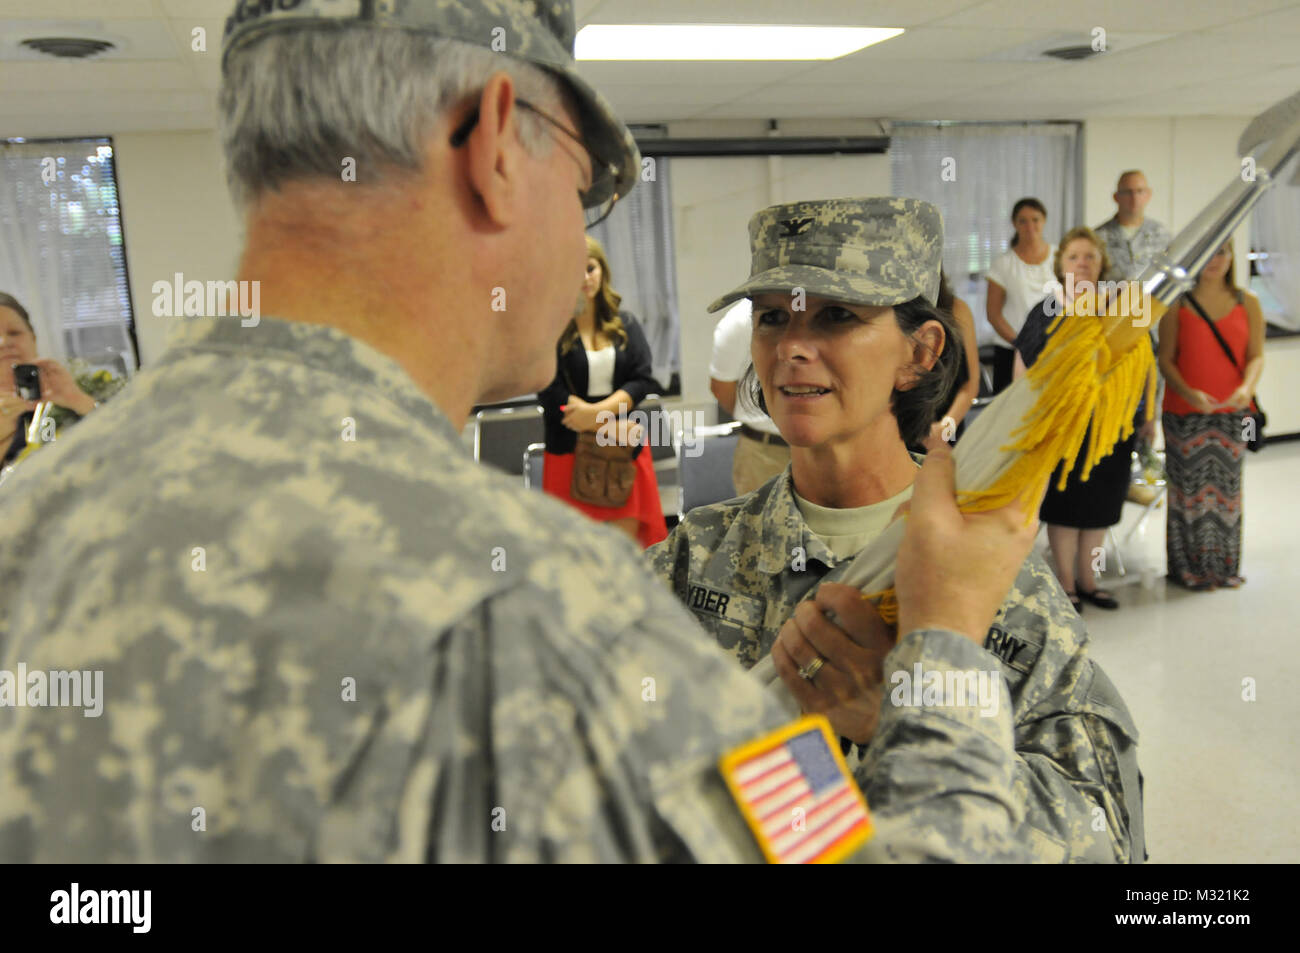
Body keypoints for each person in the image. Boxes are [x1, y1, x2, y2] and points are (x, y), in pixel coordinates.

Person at [0, 0, 1050, 864]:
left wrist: (767, 712)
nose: (577, 240)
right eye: (586, 189)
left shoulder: (32, 516)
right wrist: (945, 650)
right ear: (495, 143)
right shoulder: (531, 602)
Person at [648, 197, 1145, 864]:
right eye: (772, 317)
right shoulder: (694, 559)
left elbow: (1107, 841)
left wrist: (909, 716)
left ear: (920, 351)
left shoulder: (991, 572)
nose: (793, 345)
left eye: (836, 316)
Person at [1013, 227, 1152, 614]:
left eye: (1090, 256)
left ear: (1101, 263)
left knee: (1099, 510)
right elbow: (1023, 368)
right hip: (1061, 429)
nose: (1083, 263)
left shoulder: (1119, 308)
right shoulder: (1046, 311)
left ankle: (1090, 582)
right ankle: (1067, 584)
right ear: (1061, 265)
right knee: (1065, 510)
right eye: (1074, 256)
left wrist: (1146, 416)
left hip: (1111, 428)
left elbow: (1142, 362)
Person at [538, 235, 667, 547]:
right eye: (575, 270)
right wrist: (601, 423)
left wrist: (596, 417)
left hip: (623, 449)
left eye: (591, 268)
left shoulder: (626, 322)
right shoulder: (551, 326)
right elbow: (546, 388)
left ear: (603, 271)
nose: (584, 278)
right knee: (577, 555)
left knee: (629, 554)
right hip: (569, 445)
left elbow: (642, 380)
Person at [1158, 241, 1266, 590]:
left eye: (1222, 252)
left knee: (1226, 495)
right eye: (1208, 252)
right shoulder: (1178, 303)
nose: (1214, 260)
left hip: (1234, 414)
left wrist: (1246, 388)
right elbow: (1165, 360)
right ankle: (1188, 570)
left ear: (1232, 258)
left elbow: (1256, 356)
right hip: (1185, 414)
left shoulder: (1247, 302)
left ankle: (1224, 568)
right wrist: (1190, 393)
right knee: (1188, 495)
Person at [1, 293, 100, 467]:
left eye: (14, 333)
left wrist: (79, 402)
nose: (3, 342)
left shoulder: (78, 393)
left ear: (33, 339)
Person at [709, 298, 790, 494]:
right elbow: (721, 388)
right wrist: (755, 414)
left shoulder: (822, 306)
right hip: (765, 452)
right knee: (761, 524)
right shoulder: (739, 320)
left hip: (828, 447)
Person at [985, 198, 1056, 393]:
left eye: (1035, 219)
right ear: (1014, 224)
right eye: (1023, 221)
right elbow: (993, 314)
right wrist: (1022, 343)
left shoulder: (1061, 257)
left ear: (1044, 221)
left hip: (1053, 351)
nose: (1030, 226)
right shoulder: (1003, 264)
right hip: (1011, 351)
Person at [1094, 171, 1173, 282]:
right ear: (1116, 197)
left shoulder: (1162, 235)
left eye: (1139, 191)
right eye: (1127, 192)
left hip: (1151, 298)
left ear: (1148, 195)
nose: (1134, 197)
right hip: (1112, 298)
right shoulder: (1097, 238)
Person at [930, 269, 980, 445]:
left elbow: (971, 384)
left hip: (949, 423)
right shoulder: (892, 313)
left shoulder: (957, 309)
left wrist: (946, 428)